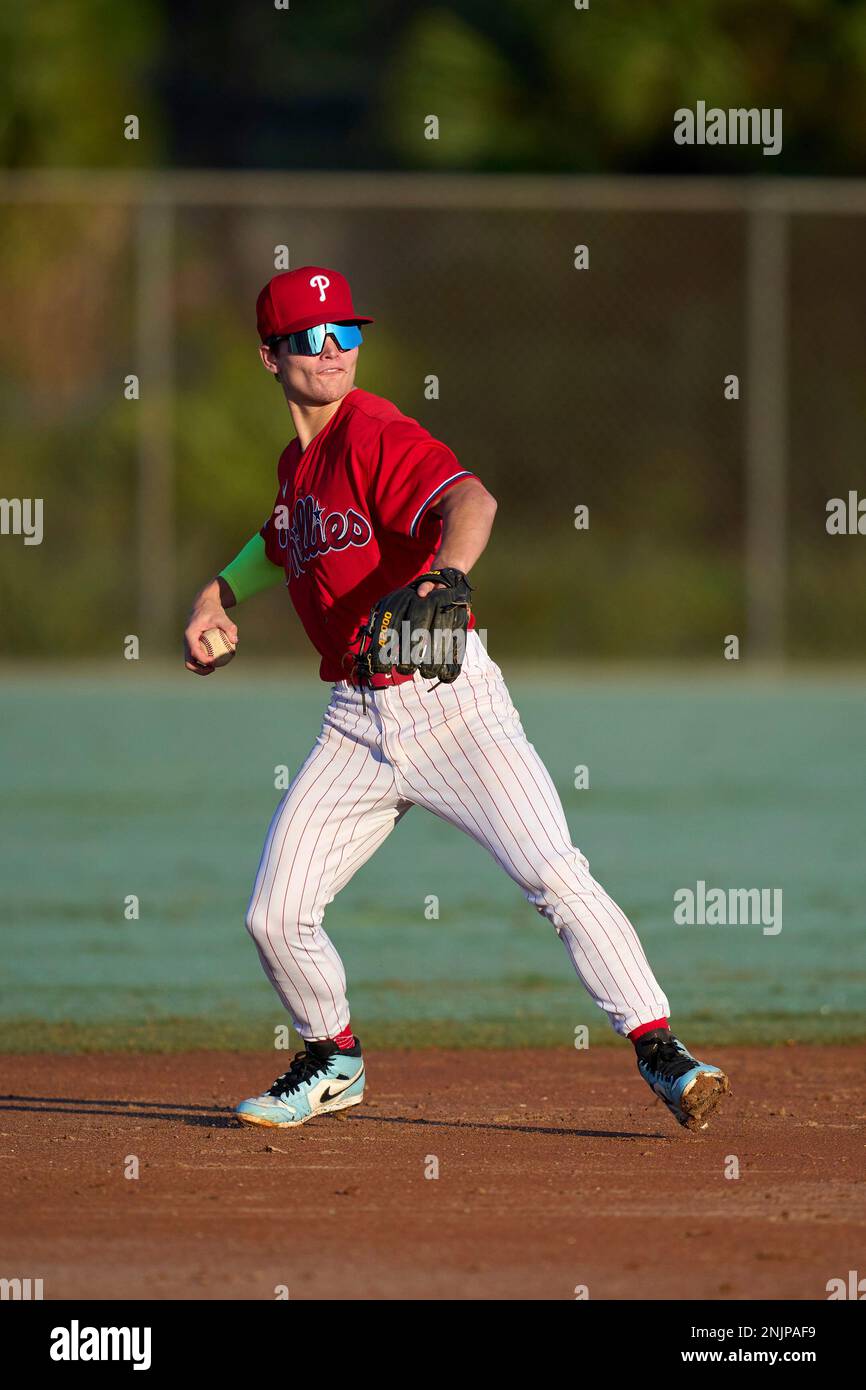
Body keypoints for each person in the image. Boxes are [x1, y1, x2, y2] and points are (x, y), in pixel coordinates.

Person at [183, 265, 730, 1134]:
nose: (332, 351)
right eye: (310, 338)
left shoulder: (372, 429)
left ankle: (663, 1052)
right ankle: (333, 1059)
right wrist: (218, 593)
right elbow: (281, 534)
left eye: (346, 333)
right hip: (357, 722)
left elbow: (469, 498)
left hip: (452, 702)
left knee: (553, 873)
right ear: (270, 357)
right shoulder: (301, 464)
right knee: (274, 914)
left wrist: (447, 571)